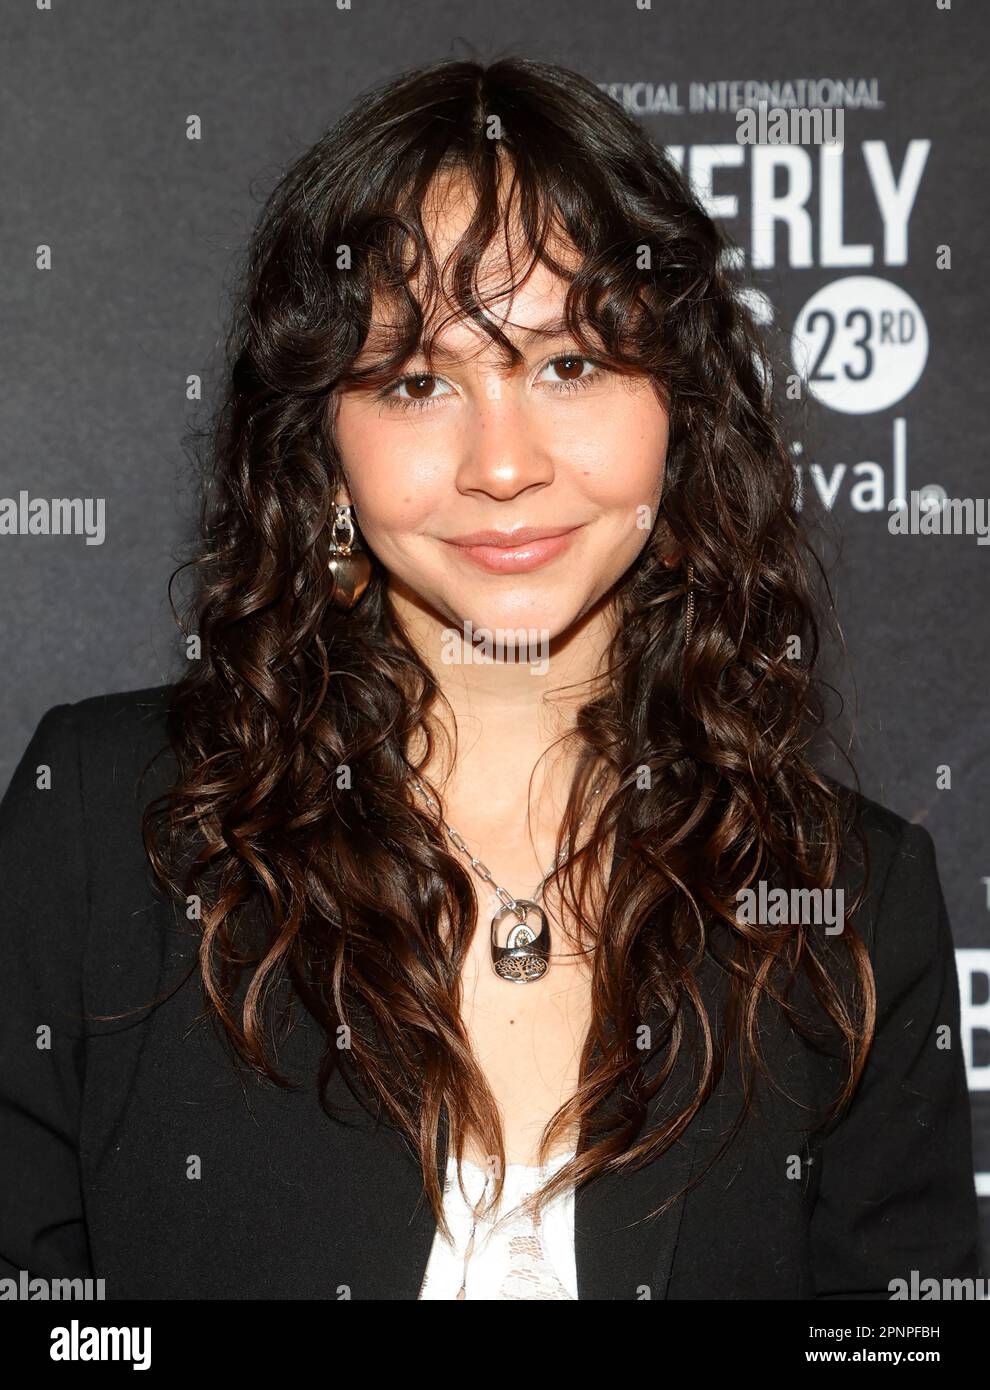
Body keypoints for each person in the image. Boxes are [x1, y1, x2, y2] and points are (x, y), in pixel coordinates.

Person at [0, 54, 980, 1301]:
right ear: (320, 448)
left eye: (569, 364)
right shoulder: (102, 824)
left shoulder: (844, 897)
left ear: (679, 407)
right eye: (417, 382)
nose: (502, 463)